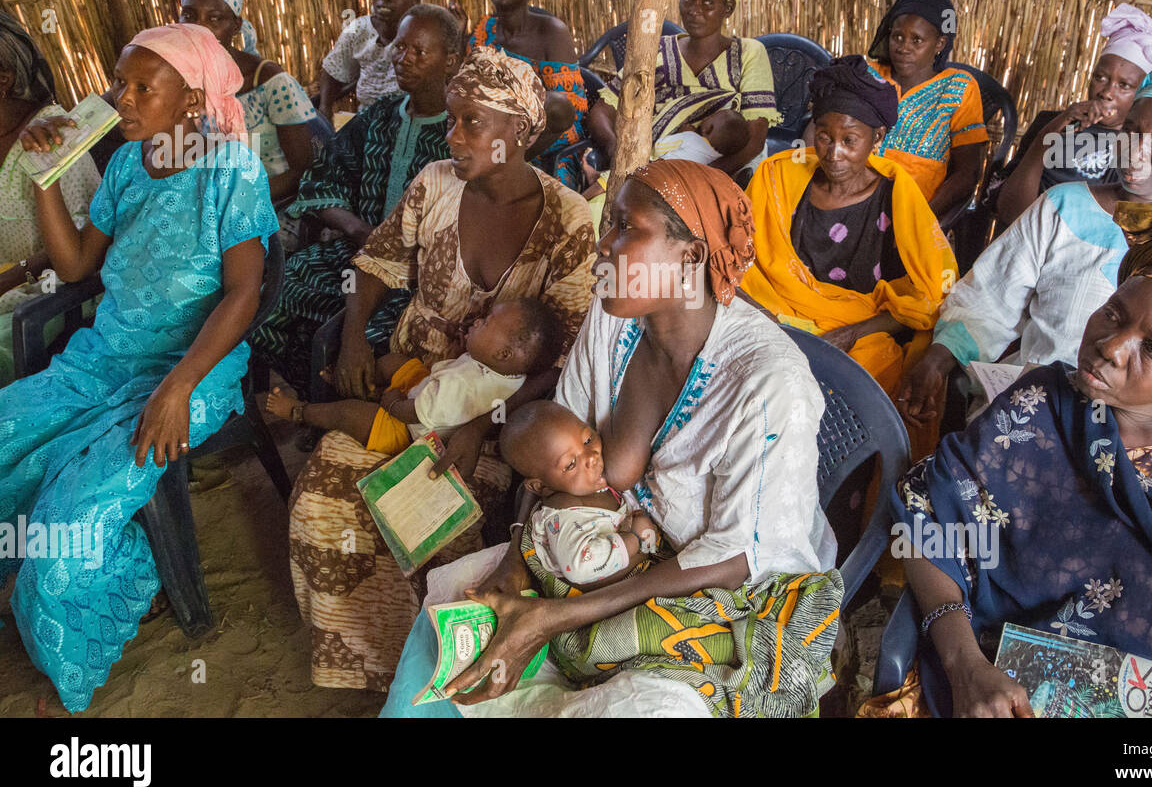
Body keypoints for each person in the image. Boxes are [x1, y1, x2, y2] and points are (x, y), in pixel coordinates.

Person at [379, 159, 840, 719]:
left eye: (627, 228)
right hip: (598, 541)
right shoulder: (614, 317)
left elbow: (738, 557)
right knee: (459, 599)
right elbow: (555, 446)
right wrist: (517, 562)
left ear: (689, 256)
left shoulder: (768, 384)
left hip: (720, 596)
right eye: (609, 225)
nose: (604, 247)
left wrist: (556, 616)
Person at [862, 197, 1152, 718]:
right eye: (1113, 313)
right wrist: (965, 665)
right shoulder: (1038, 412)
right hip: (1016, 694)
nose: (1111, 346)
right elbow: (929, 524)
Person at [287, 44, 597, 691]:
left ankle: (431, 673)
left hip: (488, 418)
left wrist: (484, 424)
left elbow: (562, 361)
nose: (451, 135)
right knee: (320, 502)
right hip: (406, 389)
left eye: (470, 123)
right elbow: (373, 263)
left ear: (516, 132)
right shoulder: (434, 183)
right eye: (451, 120)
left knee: (439, 531)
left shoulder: (569, 221)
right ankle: (368, 674)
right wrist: (351, 341)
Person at [0, 22, 277, 712]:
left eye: (140, 88)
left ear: (190, 101)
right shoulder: (127, 166)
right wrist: (48, 172)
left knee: (66, 536)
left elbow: (245, 290)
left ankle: (119, 590)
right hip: (103, 359)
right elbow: (74, 267)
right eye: (119, 82)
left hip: (192, 369)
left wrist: (179, 386)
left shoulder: (230, 168)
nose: (120, 98)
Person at [898, 44, 1152, 430]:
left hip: (1149, 431)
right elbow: (987, 301)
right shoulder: (1063, 207)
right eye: (1132, 132)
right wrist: (937, 361)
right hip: (1040, 413)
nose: (1135, 152)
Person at [741, 56, 956, 457]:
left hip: (860, 331)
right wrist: (765, 317)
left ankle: (848, 500)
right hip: (775, 318)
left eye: (850, 140)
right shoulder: (778, 178)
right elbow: (738, 263)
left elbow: (929, 297)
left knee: (868, 386)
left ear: (877, 139)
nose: (833, 152)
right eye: (823, 136)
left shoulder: (895, 195)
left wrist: (853, 332)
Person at [251, 4, 462, 393]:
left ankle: (352, 416)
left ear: (450, 61)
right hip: (350, 257)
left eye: (419, 51)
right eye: (399, 47)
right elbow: (319, 180)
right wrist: (356, 226)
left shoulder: (460, 134)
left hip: (417, 278)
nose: (404, 58)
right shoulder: (380, 116)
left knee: (382, 343)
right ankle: (314, 397)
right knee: (265, 302)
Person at [264, 297, 562, 453]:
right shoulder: (509, 375)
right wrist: (463, 353)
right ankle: (366, 387)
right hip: (432, 388)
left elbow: (420, 413)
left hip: (413, 429)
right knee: (396, 363)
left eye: (486, 323)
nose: (478, 320)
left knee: (352, 415)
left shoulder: (461, 386)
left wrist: (392, 403)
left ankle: (301, 411)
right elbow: (470, 381)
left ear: (503, 354)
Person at [995, 3, 1152, 225]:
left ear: (1143, 93)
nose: (1106, 93)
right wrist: (1050, 133)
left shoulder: (1148, 145)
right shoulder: (1052, 124)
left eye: (1124, 85)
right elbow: (1010, 213)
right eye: (1100, 78)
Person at [587, 0, 782, 180]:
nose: (694, 10)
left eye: (707, 3)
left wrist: (697, 181)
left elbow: (754, 139)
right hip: (649, 167)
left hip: (718, 174)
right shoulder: (658, 49)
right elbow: (603, 109)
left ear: (727, 9)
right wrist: (616, 150)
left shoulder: (748, 53)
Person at [0, 11, 100, 385]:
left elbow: (80, 245)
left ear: (3, 80)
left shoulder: (52, 135)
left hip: (49, 293)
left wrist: (9, 279)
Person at [180, 0, 315, 204]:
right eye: (189, 16)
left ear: (235, 26)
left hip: (275, 205)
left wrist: (240, 201)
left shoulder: (268, 81)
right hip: (212, 206)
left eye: (214, 18)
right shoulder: (179, 80)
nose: (199, 28)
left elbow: (302, 170)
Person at [467, 0, 587, 190]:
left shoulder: (551, 32)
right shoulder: (483, 31)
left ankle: (505, 166)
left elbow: (567, 109)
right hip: (492, 135)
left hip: (546, 142)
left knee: (555, 105)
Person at [498, 400, 659, 589]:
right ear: (541, 487)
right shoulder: (564, 515)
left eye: (588, 440)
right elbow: (579, 568)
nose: (591, 456)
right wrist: (634, 540)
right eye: (571, 464)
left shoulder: (592, 486)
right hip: (599, 598)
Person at [858, 0, 989, 215]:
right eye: (897, 37)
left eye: (917, 40)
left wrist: (925, 220)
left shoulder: (958, 88)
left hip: (915, 209)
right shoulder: (870, 75)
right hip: (855, 202)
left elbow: (968, 173)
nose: (903, 48)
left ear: (939, 44)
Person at [318, 0, 426, 119]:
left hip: (408, 121)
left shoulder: (424, 34)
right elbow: (333, 71)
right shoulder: (359, 29)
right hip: (366, 122)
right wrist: (325, 108)